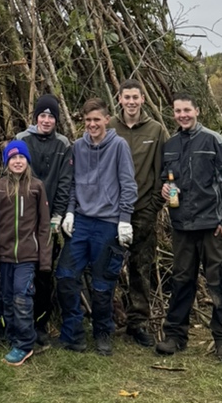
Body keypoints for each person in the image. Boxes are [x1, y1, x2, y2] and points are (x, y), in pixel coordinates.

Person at [156, 94, 222, 362]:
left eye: (187, 110)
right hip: (182, 226)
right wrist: (165, 189)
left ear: (197, 111)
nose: (182, 115)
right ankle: (175, 337)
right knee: (181, 282)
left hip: (212, 226)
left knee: (219, 283)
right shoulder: (170, 145)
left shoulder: (213, 140)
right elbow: (164, 182)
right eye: (178, 111)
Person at [55, 98, 137, 355]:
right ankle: (73, 333)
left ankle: (103, 333)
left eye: (96, 120)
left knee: (103, 284)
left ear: (107, 119)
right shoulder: (77, 147)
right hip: (81, 221)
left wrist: (124, 218)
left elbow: (128, 184)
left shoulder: (119, 146)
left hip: (107, 223)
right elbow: (72, 185)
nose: (92, 124)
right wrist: (69, 213)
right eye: (88, 120)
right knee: (66, 276)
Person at [0, 140, 52, 366]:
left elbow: (44, 226)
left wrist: (44, 259)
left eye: (21, 157)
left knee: (22, 298)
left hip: (27, 256)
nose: (17, 161)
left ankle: (24, 344)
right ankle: (14, 337)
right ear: (6, 162)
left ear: (27, 160)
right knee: (7, 298)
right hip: (4, 256)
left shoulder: (36, 186)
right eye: (12, 158)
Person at [16, 94, 72, 347]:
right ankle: (17, 323)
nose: (47, 120)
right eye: (43, 115)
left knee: (44, 273)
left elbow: (64, 181)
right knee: (19, 270)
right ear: (36, 117)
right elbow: (13, 177)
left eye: (51, 116)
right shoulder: (22, 141)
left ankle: (40, 324)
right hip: (23, 220)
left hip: (49, 222)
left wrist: (57, 214)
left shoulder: (63, 145)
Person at [117, 78, 169, 347]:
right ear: (120, 99)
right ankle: (106, 318)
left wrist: (152, 209)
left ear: (143, 99)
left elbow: (165, 172)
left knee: (140, 267)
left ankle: (137, 323)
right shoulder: (110, 128)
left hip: (143, 209)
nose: (132, 102)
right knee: (106, 266)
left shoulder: (156, 130)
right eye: (127, 97)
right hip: (111, 211)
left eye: (136, 97)